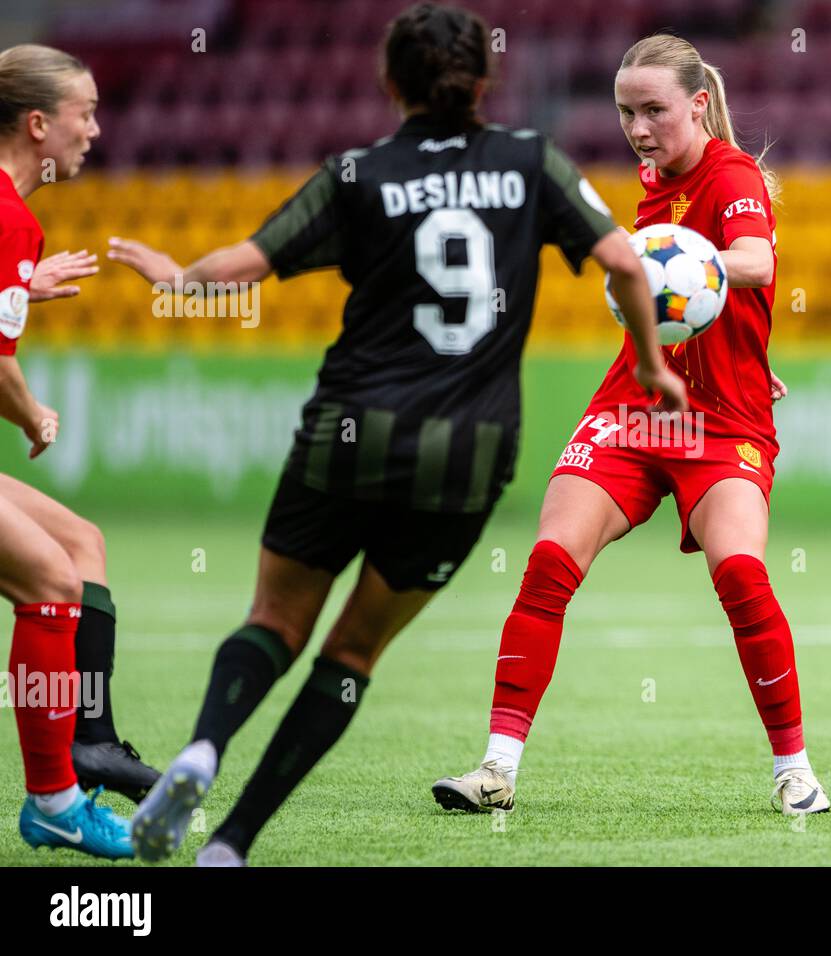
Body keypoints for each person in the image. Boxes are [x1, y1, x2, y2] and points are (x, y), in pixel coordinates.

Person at [107, 1, 686, 866]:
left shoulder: (356, 174)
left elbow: (247, 269)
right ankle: (231, 843)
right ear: (482, 82)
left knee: (275, 620)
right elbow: (623, 261)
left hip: (349, 431)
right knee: (352, 649)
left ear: (389, 84)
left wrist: (178, 279)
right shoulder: (531, 162)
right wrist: (649, 362)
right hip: (467, 457)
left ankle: (202, 748)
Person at [432, 34, 828, 817]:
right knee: (549, 560)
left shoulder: (733, 174)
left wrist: (694, 274)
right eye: (626, 113)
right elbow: (685, 304)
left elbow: (753, 262)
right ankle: (495, 768)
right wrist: (726, 333)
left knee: (741, 576)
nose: (639, 129)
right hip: (633, 408)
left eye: (655, 111)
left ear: (698, 104)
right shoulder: (653, 180)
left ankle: (795, 771)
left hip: (723, 423)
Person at [0, 42, 159, 861]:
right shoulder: (8, 214)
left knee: (78, 546)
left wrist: (19, 290)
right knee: (51, 583)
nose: (95, 130)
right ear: (38, 124)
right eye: (84, 112)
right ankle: (56, 802)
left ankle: (89, 743)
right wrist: (33, 419)